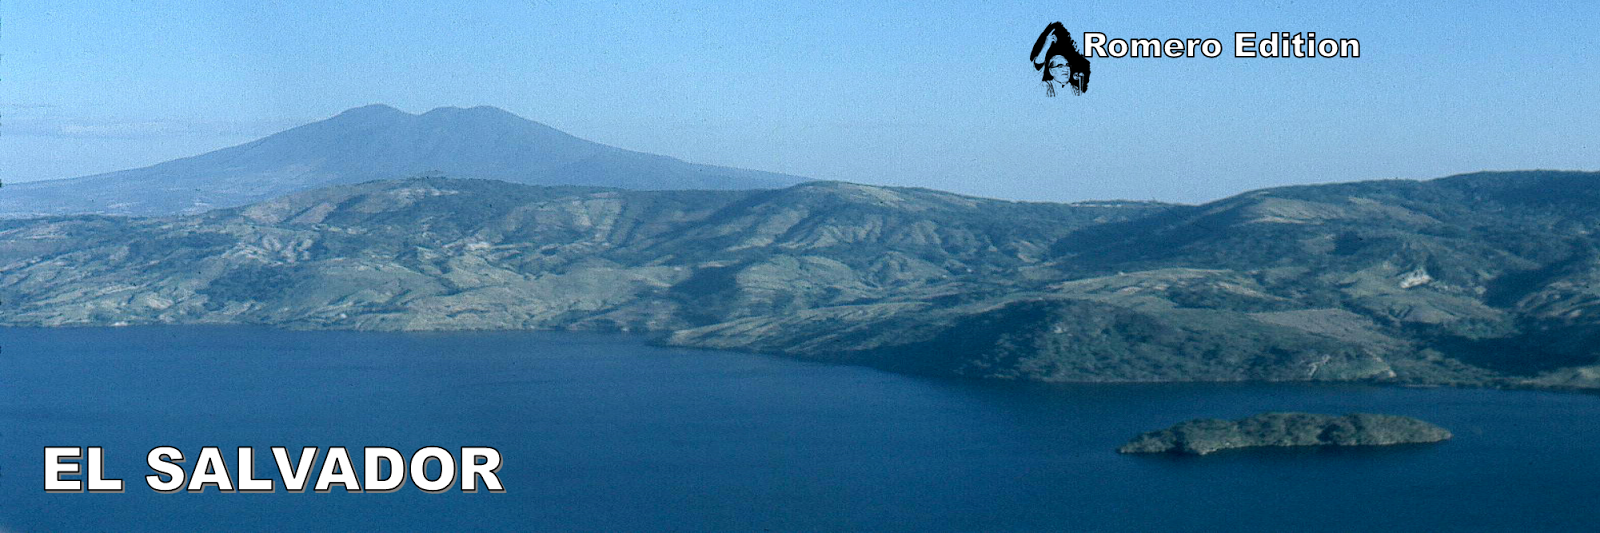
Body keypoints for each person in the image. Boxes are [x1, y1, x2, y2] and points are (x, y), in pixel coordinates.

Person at [1031, 22, 1090, 97]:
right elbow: (1037, 68)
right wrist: (1046, 45)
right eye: (1060, 66)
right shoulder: (1044, 87)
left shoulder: (1077, 91)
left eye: (1067, 65)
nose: (1065, 69)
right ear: (1051, 71)